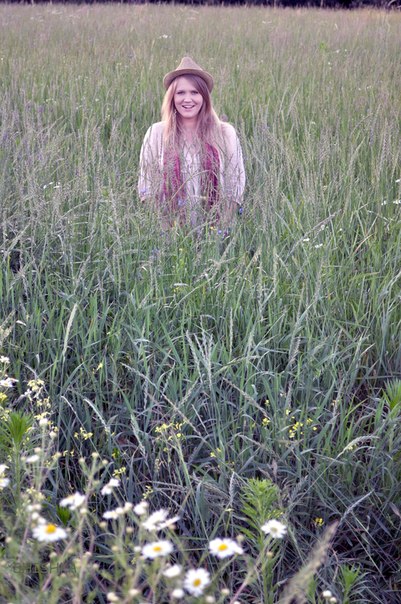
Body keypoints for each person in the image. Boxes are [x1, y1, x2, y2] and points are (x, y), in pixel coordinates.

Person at [138, 57, 246, 233]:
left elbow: (235, 187)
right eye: (180, 93)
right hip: (169, 235)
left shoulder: (226, 133)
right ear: (172, 97)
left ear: (204, 97)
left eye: (195, 92)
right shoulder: (156, 133)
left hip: (216, 234)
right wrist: (167, 232)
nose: (187, 99)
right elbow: (147, 188)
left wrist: (217, 232)